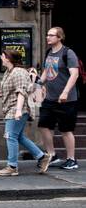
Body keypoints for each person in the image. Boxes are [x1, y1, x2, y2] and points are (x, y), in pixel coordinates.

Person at [0, 49, 51, 176]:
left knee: (10, 136)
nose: (1, 57)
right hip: (11, 108)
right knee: (18, 136)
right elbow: (12, 90)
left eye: (2, 56)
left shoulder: (18, 72)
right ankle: (42, 157)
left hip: (16, 109)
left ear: (8, 58)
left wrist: (18, 111)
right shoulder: (9, 72)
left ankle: (12, 166)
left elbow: (21, 92)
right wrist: (0, 93)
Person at [37, 26, 80, 170]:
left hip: (66, 99)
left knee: (65, 129)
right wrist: (38, 83)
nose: (47, 37)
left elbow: (74, 74)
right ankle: (52, 155)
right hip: (50, 97)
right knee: (43, 125)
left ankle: (71, 159)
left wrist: (65, 92)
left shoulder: (68, 53)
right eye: (47, 34)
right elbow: (46, 72)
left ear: (59, 37)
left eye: (51, 35)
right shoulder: (49, 52)